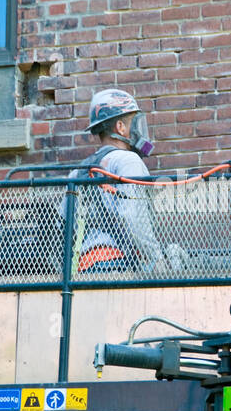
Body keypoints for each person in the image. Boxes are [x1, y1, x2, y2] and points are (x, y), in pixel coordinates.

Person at [69, 88, 174, 274]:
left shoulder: (78, 172)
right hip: (117, 262)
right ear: (120, 127)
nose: (138, 130)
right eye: (134, 123)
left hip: (84, 267)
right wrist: (156, 257)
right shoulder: (128, 161)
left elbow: (64, 222)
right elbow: (133, 217)